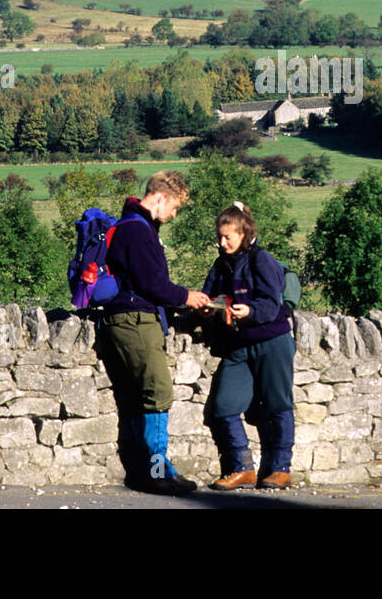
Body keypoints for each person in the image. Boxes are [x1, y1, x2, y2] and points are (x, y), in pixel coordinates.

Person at [97, 170, 210, 496]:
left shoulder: (136, 226)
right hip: (134, 320)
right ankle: (156, 472)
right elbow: (150, 283)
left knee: (139, 395)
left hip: (130, 317)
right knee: (158, 391)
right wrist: (185, 296)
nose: (174, 214)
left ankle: (152, 468)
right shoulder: (137, 231)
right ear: (159, 198)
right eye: (174, 206)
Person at [197, 201, 296, 490]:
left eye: (228, 236)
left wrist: (250, 312)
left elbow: (271, 301)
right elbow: (209, 294)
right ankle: (242, 468)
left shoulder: (261, 259)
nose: (221, 241)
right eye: (219, 236)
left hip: (272, 341)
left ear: (244, 233)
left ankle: (280, 468)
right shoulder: (220, 264)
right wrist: (205, 308)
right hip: (239, 344)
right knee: (224, 406)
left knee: (278, 404)